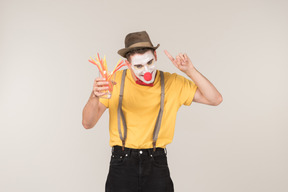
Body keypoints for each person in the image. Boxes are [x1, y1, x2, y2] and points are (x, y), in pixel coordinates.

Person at [82, 31, 222, 192]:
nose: (146, 70)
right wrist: (94, 96)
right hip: (121, 162)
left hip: (156, 162)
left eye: (149, 62)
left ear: (155, 55)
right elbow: (87, 123)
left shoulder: (173, 83)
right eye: (138, 66)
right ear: (128, 65)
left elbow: (215, 99)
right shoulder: (114, 81)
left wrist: (190, 70)